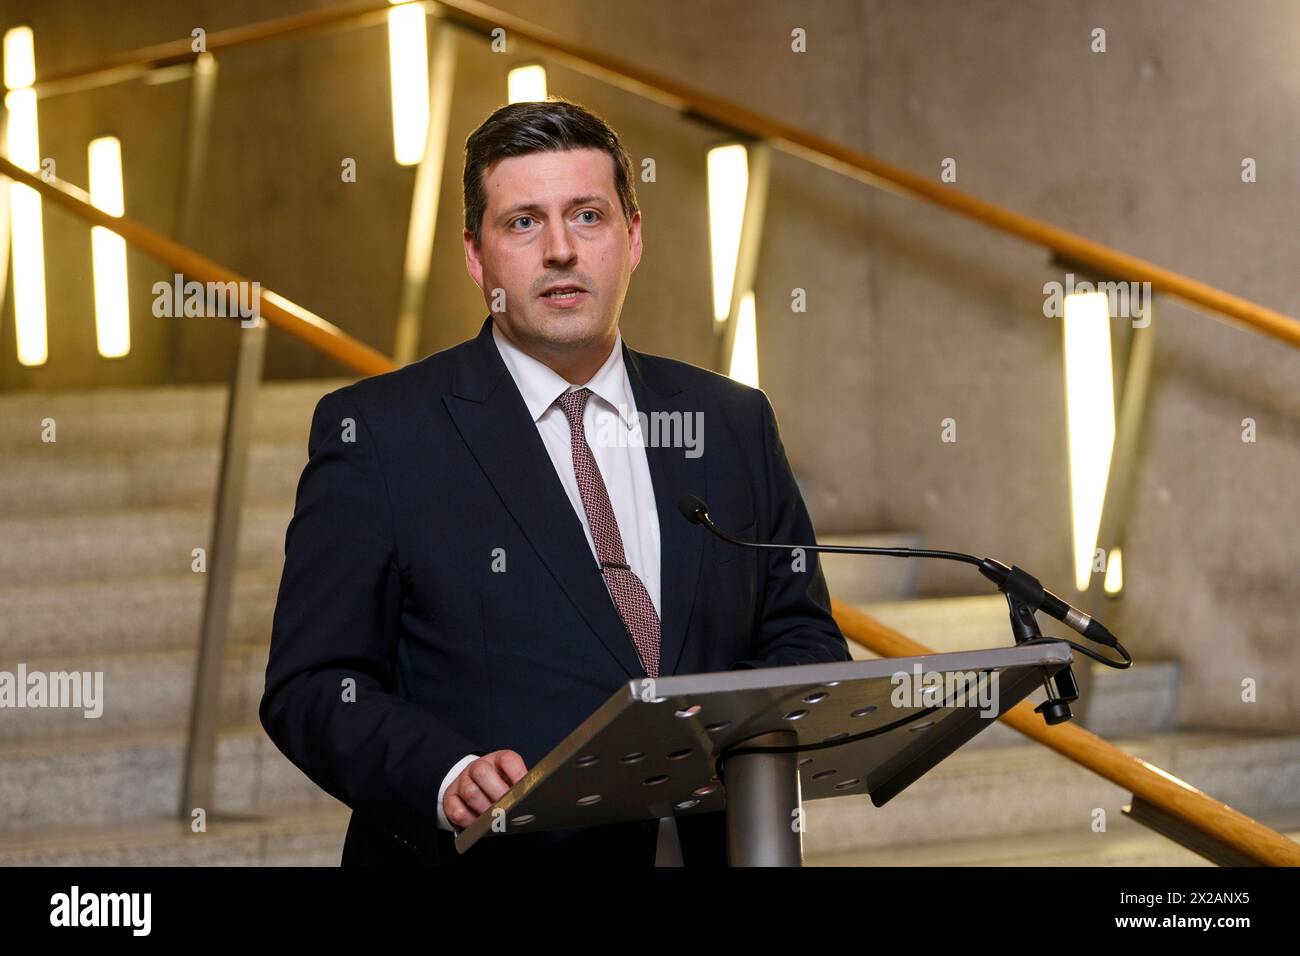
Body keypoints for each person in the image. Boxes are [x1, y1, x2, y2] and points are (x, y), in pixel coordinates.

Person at [259, 97, 849, 867]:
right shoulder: (379, 434)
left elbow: (802, 635)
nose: (562, 250)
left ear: (633, 237)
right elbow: (313, 685)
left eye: (589, 216)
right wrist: (443, 777)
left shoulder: (730, 419)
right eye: (524, 222)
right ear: (476, 255)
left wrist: (710, 726)